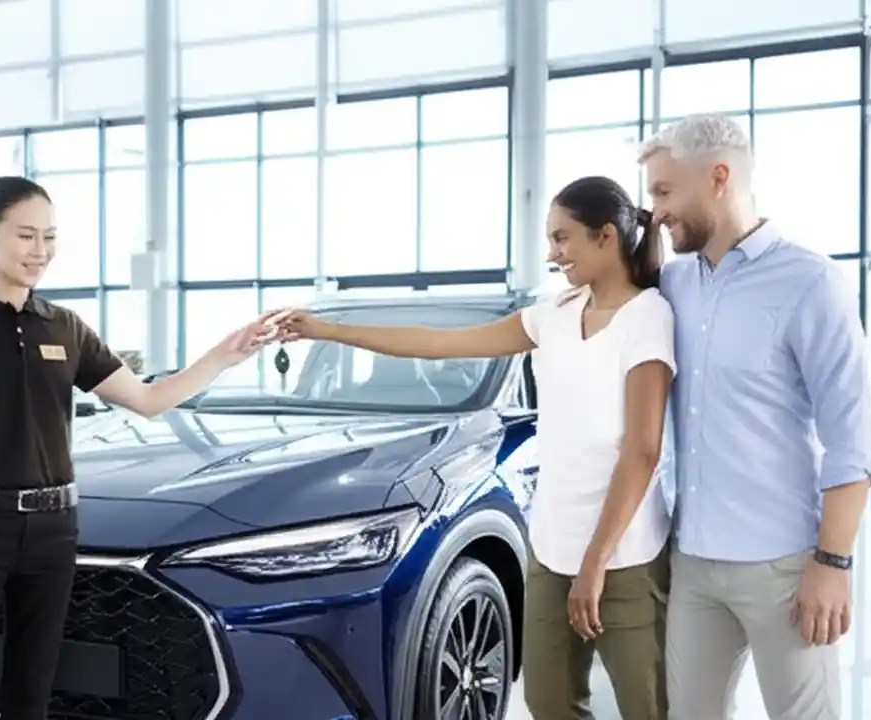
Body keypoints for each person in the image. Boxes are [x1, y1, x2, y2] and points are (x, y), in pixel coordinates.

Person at [272, 176, 677, 719]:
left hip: (624, 556)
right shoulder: (553, 316)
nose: (552, 253)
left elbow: (642, 451)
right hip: (553, 550)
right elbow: (438, 344)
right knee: (549, 704)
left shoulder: (647, 317)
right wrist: (329, 331)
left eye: (562, 239)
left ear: (606, 236)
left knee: (645, 708)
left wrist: (596, 563)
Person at [0, 176, 275, 719]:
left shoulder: (65, 327)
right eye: (26, 236)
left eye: (49, 237)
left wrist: (224, 355)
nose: (40, 251)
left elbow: (147, 399)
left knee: (33, 694)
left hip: (54, 532)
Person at [639, 114, 871, 719]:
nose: (658, 213)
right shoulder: (672, 284)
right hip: (693, 563)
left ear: (719, 177)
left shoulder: (809, 281)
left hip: (785, 566)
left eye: (665, 192)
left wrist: (832, 563)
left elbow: (853, 439)